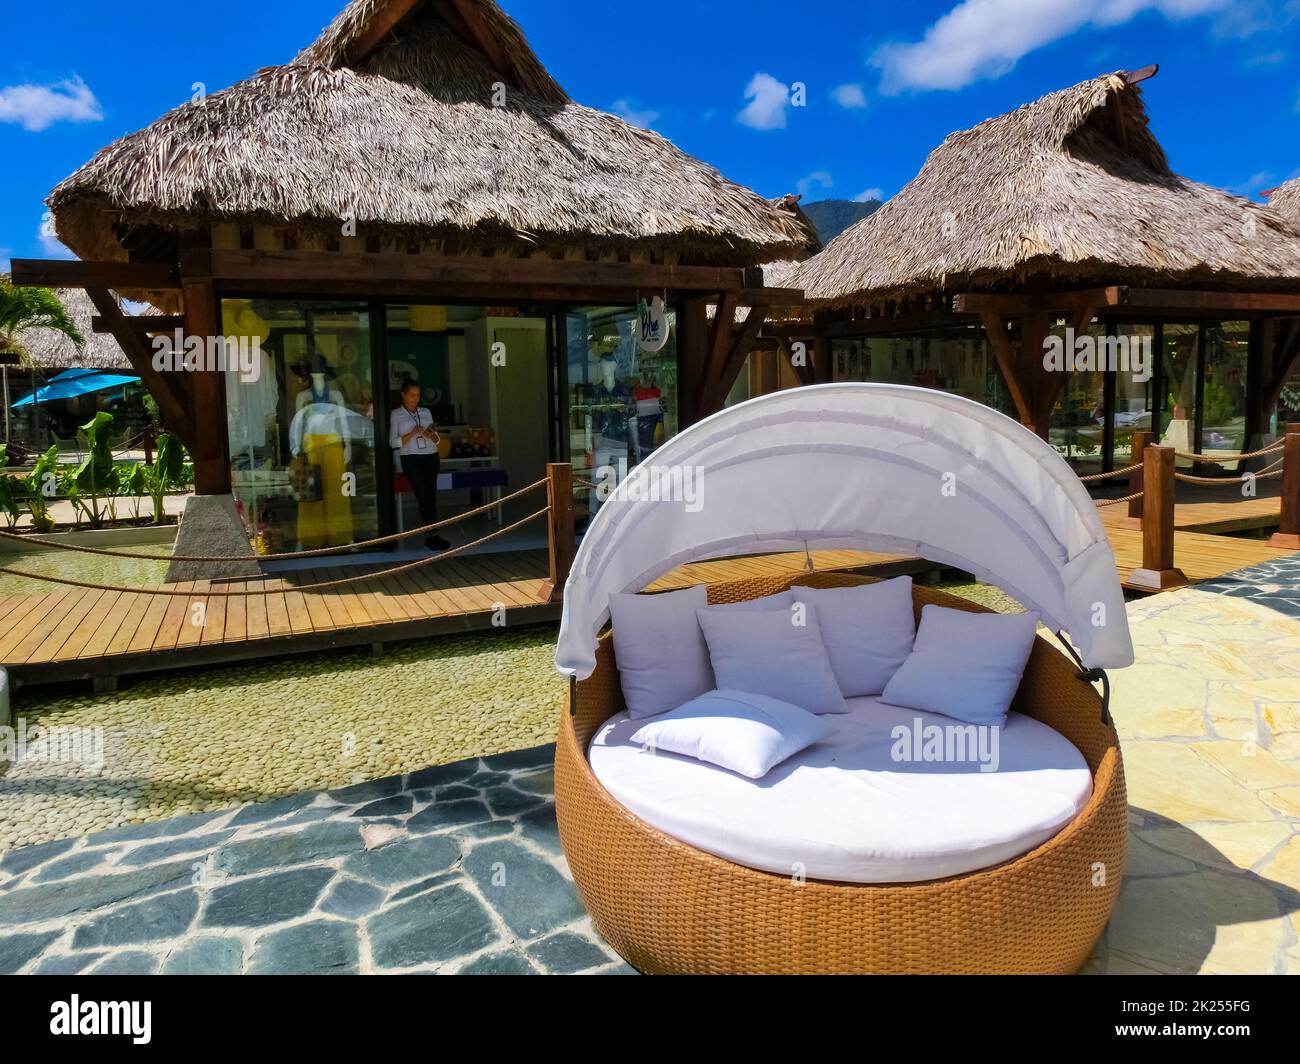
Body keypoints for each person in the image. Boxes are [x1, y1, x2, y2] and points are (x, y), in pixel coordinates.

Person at [390, 380, 450, 551]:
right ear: (403, 395)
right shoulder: (396, 414)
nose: (416, 399)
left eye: (418, 395)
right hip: (411, 458)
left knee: (431, 496)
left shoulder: (426, 412)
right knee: (423, 495)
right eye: (412, 395)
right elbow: (393, 443)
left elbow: (436, 438)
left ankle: (433, 536)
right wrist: (411, 434)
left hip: (430, 456)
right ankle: (430, 536)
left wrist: (431, 434)